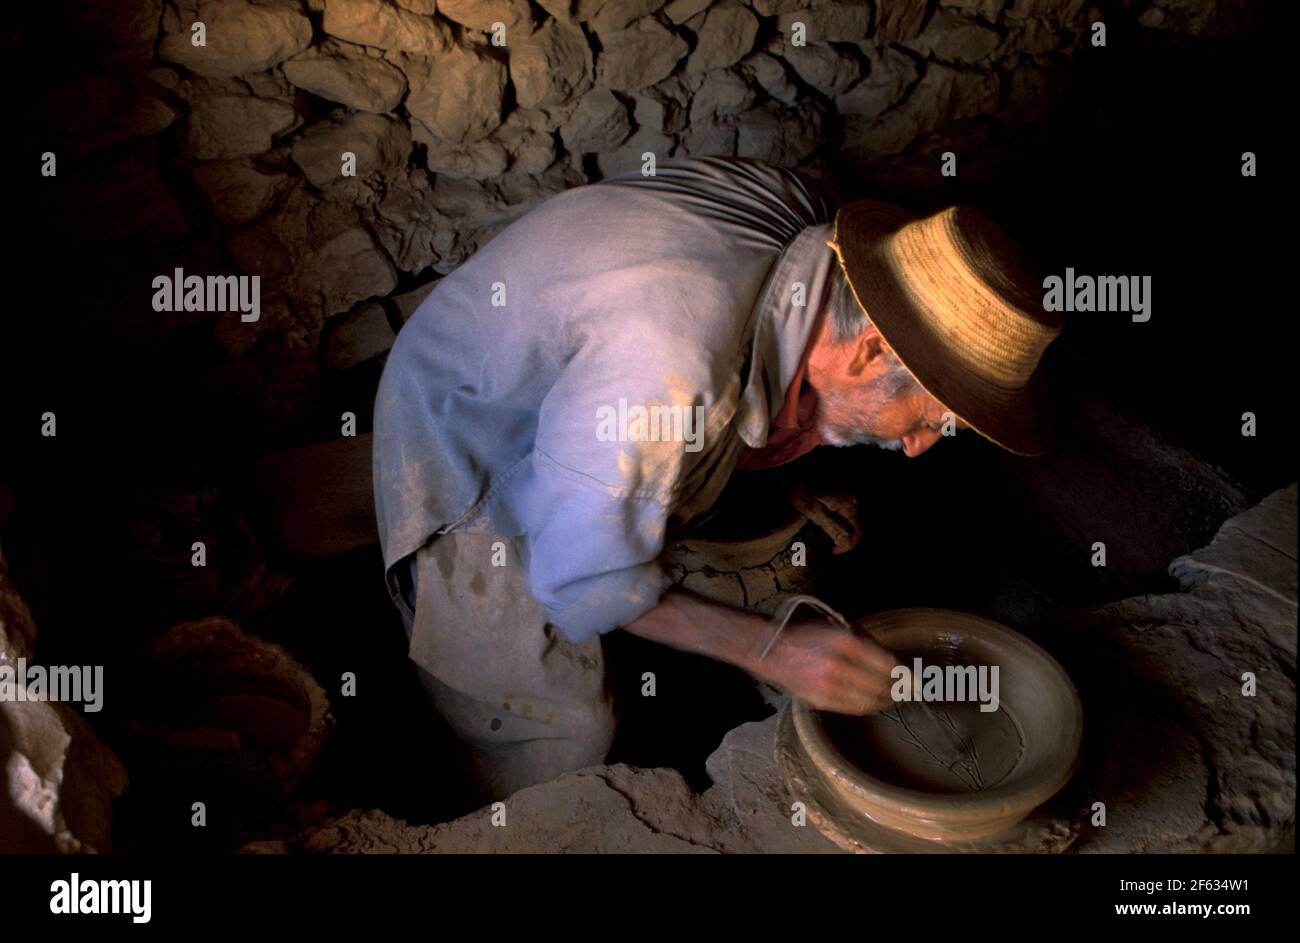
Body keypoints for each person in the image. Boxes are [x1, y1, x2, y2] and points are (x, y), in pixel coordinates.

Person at [372, 156, 1062, 802]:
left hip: (591, 393)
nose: (916, 449)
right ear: (871, 349)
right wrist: (774, 651)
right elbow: (577, 577)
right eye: (928, 420)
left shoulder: (825, 240)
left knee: (766, 558)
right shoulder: (669, 361)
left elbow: (757, 376)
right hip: (472, 437)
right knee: (568, 730)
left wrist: (785, 474)